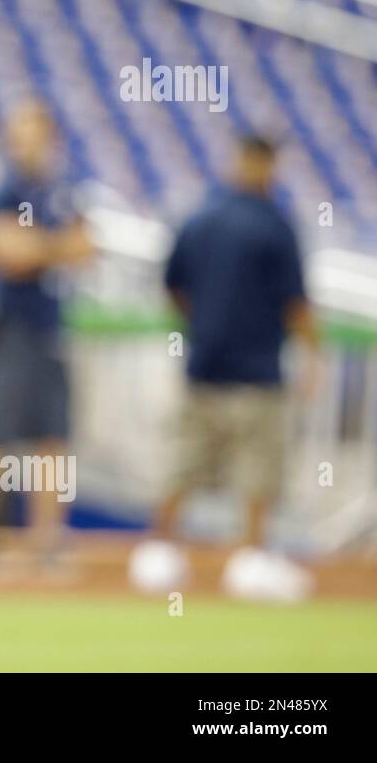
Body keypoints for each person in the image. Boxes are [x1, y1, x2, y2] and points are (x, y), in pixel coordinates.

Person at [128, 134, 321, 602]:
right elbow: (296, 304)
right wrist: (315, 357)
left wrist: (202, 322)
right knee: (257, 470)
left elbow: (173, 286)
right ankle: (250, 559)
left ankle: (158, 552)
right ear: (269, 165)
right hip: (257, 371)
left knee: (186, 461)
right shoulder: (276, 224)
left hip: (204, 364)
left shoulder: (200, 217)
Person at [0, 103, 93, 571]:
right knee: (1, 443)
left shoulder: (62, 193)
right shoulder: (5, 193)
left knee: (53, 440)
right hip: (13, 333)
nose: (26, 145)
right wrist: (57, 247)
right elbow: (10, 255)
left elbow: (86, 248)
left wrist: (40, 249)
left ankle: (44, 544)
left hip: (51, 333)